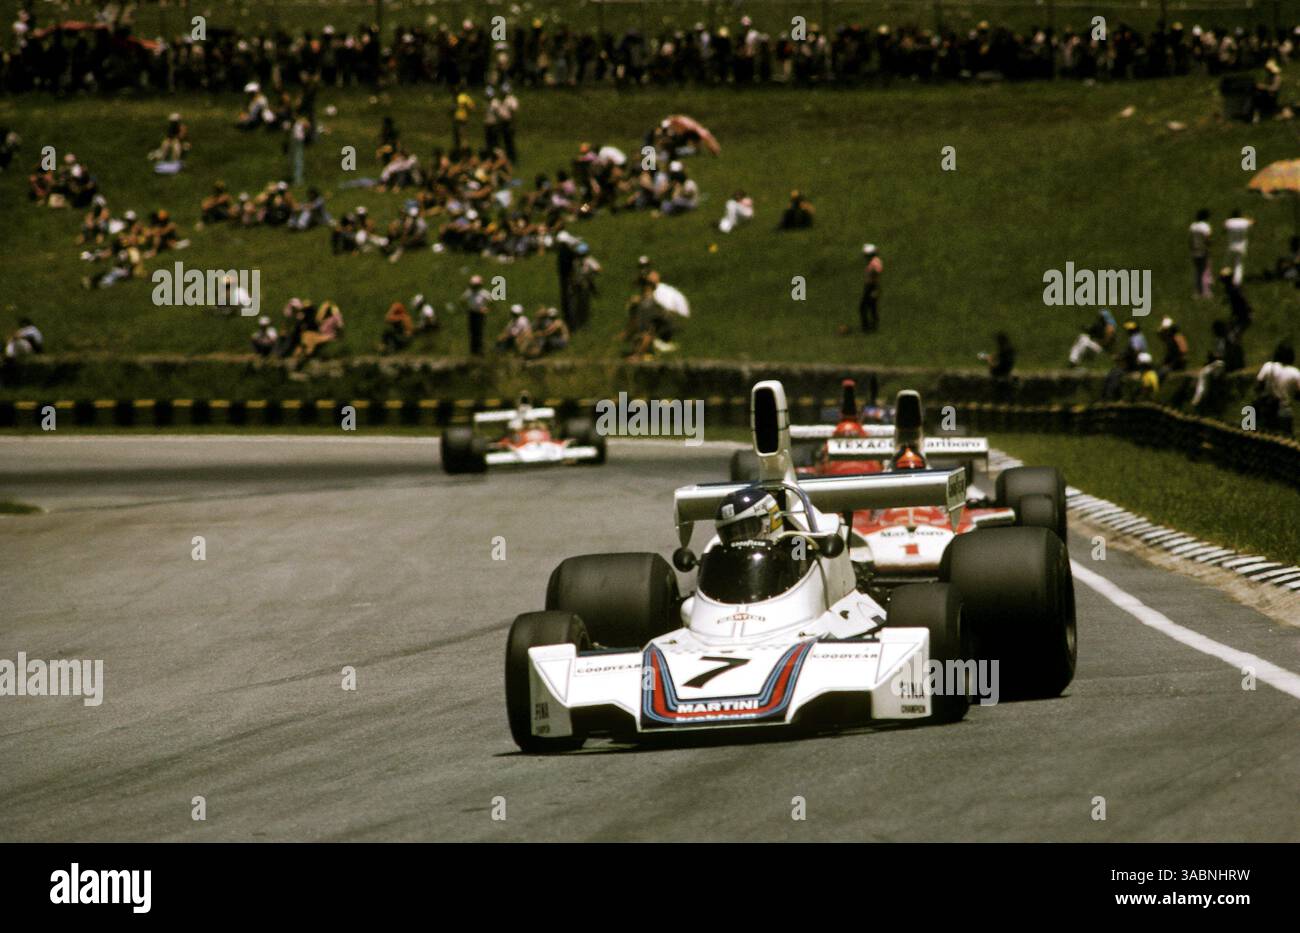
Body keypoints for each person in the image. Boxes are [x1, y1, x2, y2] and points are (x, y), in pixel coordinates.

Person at [1253, 343, 1299, 435]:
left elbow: (1257, 387)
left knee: (1265, 438)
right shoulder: (1295, 373)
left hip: (1267, 411)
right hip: (1285, 412)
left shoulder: (1268, 366)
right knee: (1285, 442)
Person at [462, 274, 492, 356]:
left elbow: (490, 301)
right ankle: (473, 351)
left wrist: (485, 308)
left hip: (480, 314)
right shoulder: (469, 293)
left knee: (479, 332)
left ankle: (480, 351)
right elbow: (462, 300)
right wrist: (467, 308)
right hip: (472, 313)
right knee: (472, 332)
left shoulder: (483, 293)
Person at [1219, 266, 1253, 332]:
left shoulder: (1233, 288)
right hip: (1239, 313)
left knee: (1235, 331)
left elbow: (1242, 298)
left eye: (1223, 278)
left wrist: (1248, 309)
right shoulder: (1229, 287)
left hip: (1243, 314)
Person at [1223, 209, 1253, 286]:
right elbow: (1253, 222)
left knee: (1227, 264)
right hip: (1242, 246)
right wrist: (1245, 217)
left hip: (1231, 246)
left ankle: (1225, 278)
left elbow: (1224, 228)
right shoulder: (1244, 222)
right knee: (1238, 265)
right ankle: (1237, 282)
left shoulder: (1229, 222)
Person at [858, 243, 882, 332]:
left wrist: (874, 289)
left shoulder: (875, 262)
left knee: (864, 307)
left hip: (872, 287)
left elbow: (876, 272)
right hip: (870, 286)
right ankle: (871, 326)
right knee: (871, 307)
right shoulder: (873, 262)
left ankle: (868, 327)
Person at [1189, 208, 1212, 298]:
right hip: (1203, 250)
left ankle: (1196, 292)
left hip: (1195, 250)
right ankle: (1205, 292)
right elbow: (1207, 238)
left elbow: (1190, 239)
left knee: (1197, 272)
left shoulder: (1193, 226)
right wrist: (1209, 246)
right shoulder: (1205, 226)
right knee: (1205, 271)